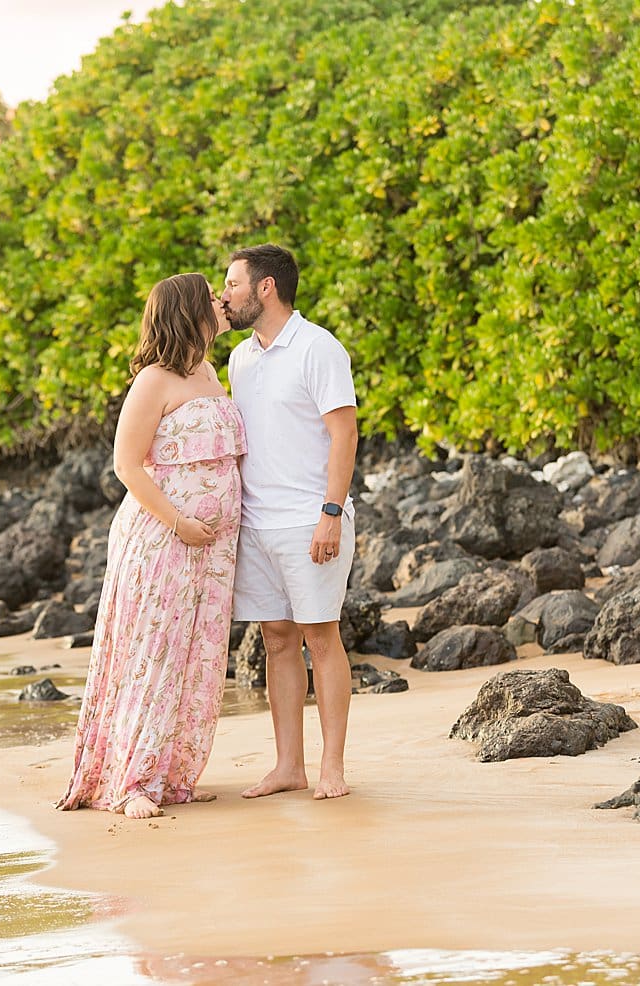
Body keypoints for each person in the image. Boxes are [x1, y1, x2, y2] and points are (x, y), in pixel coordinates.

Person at [57, 272, 247, 819]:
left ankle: (173, 775)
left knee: (200, 654)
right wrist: (180, 522)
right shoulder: (154, 381)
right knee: (154, 651)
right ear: (189, 310)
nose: (221, 302)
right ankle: (132, 780)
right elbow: (127, 467)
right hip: (162, 537)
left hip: (213, 549)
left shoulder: (210, 372)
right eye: (211, 296)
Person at [221, 244, 358, 801]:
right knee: (276, 639)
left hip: (310, 520)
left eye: (231, 284)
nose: (223, 296)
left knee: (321, 638)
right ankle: (288, 766)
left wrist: (330, 513)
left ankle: (332, 768)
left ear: (265, 287)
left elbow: (344, 434)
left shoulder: (318, 347)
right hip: (256, 525)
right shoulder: (240, 358)